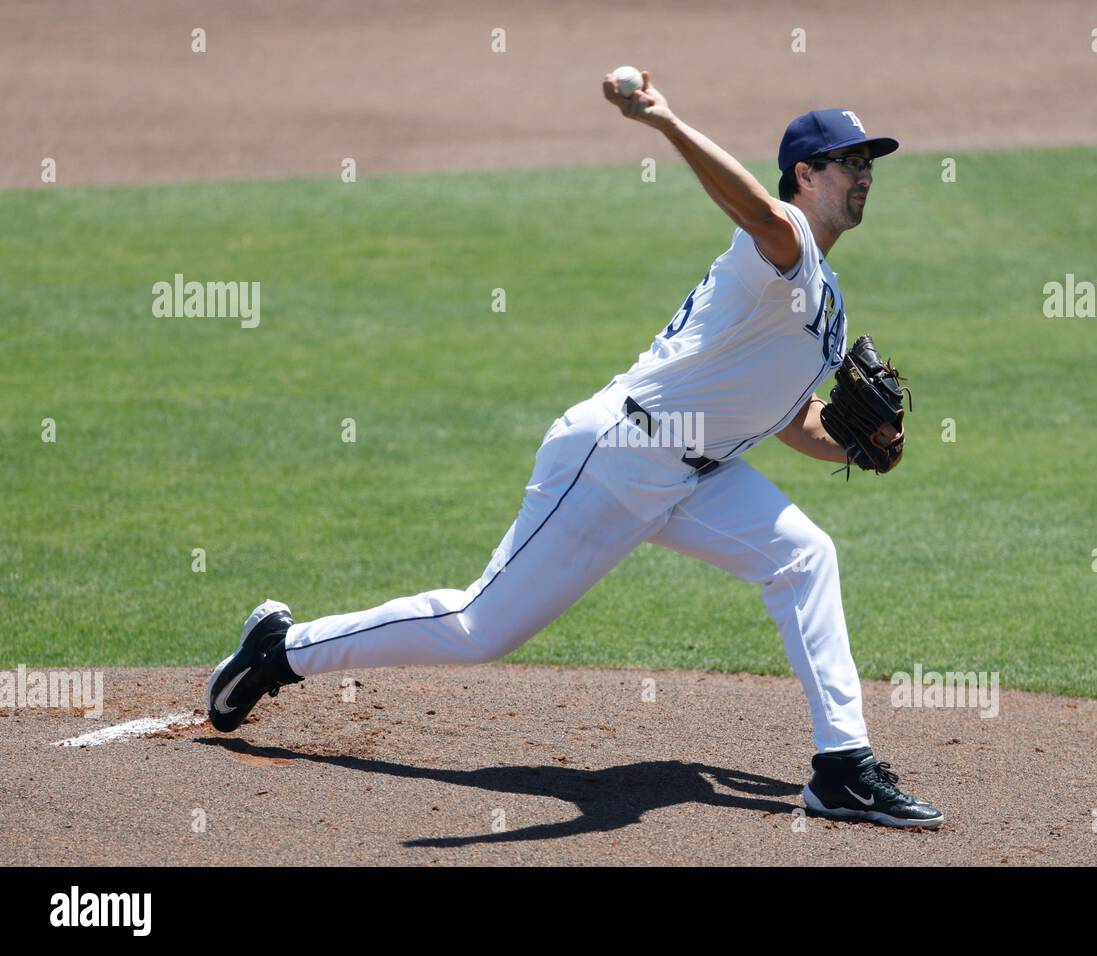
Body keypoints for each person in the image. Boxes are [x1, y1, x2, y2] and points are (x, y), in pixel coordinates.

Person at [206, 71, 943, 830]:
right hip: (616, 456)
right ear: (805, 173)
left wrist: (866, 445)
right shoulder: (780, 242)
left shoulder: (823, 296)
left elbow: (794, 420)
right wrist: (666, 122)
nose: (865, 176)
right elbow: (754, 209)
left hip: (698, 474)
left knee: (805, 556)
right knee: (477, 629)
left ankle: (843, 768)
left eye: (870, 164)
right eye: (851, 162)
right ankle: (281, 650)